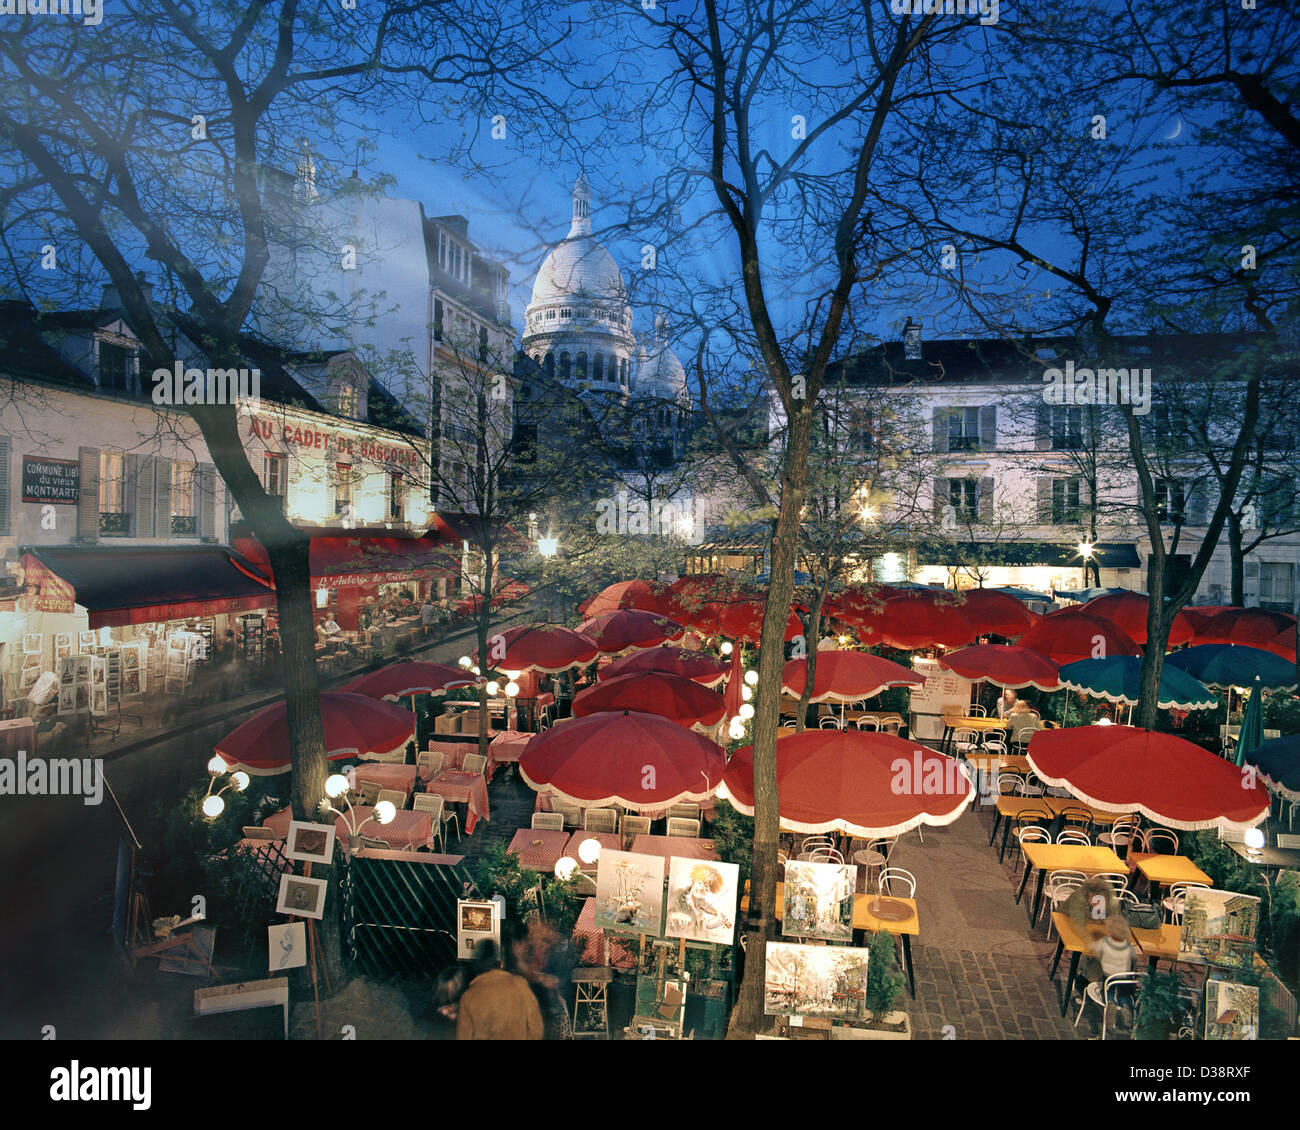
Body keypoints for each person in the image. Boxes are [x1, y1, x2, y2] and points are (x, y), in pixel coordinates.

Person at [455, 939, 543, 1040]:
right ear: (498, 963)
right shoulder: (520, 986)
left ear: (477, 966)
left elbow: (463, 1036)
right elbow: (536, 1029)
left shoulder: (468, 997)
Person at [1062, 877, 1122, 985]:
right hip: (1068, 922)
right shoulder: (1078, 899)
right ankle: (1087, 978)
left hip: (1093, 925)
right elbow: (1077, 924)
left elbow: (1114, 917)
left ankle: (1096, 976)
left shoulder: (1109, 899)